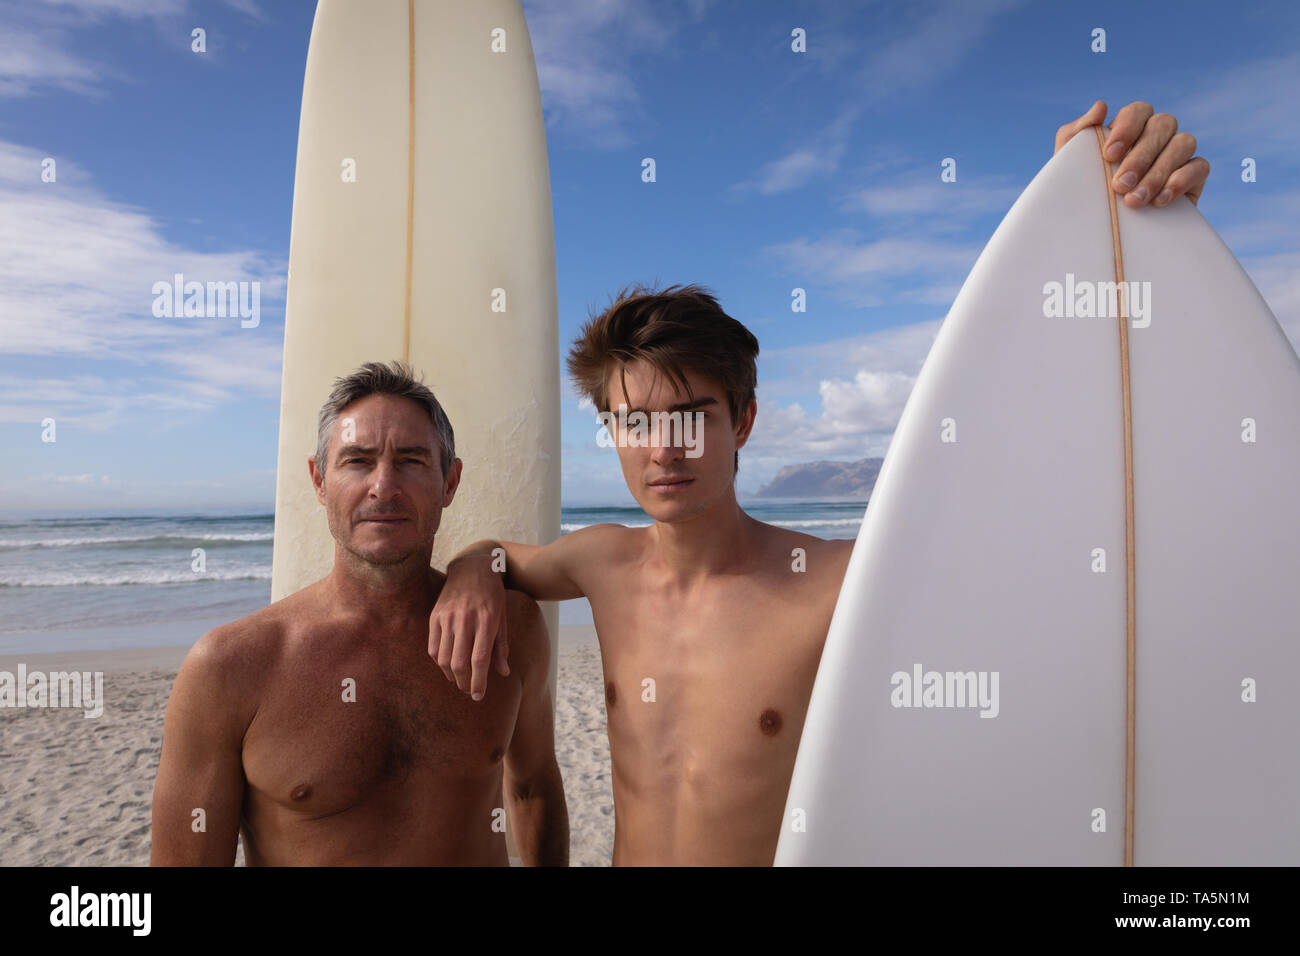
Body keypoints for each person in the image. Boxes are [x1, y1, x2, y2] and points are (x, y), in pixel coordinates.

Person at [428, 101, 1212, 865]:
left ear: (744, 422)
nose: (664, 447)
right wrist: (472, 566)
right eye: (636, 422)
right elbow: (503, 555)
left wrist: (1090, 235)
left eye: (693, 415)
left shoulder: (837, 583)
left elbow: (1033, 556)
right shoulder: (597, 562)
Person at [152, 361, 568, 865]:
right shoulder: (229, 666)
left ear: (450, 482)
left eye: (412, 460)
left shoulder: (508, 631)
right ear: (318, 480)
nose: (384, 486)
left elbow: (532, 789)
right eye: (357, 461)